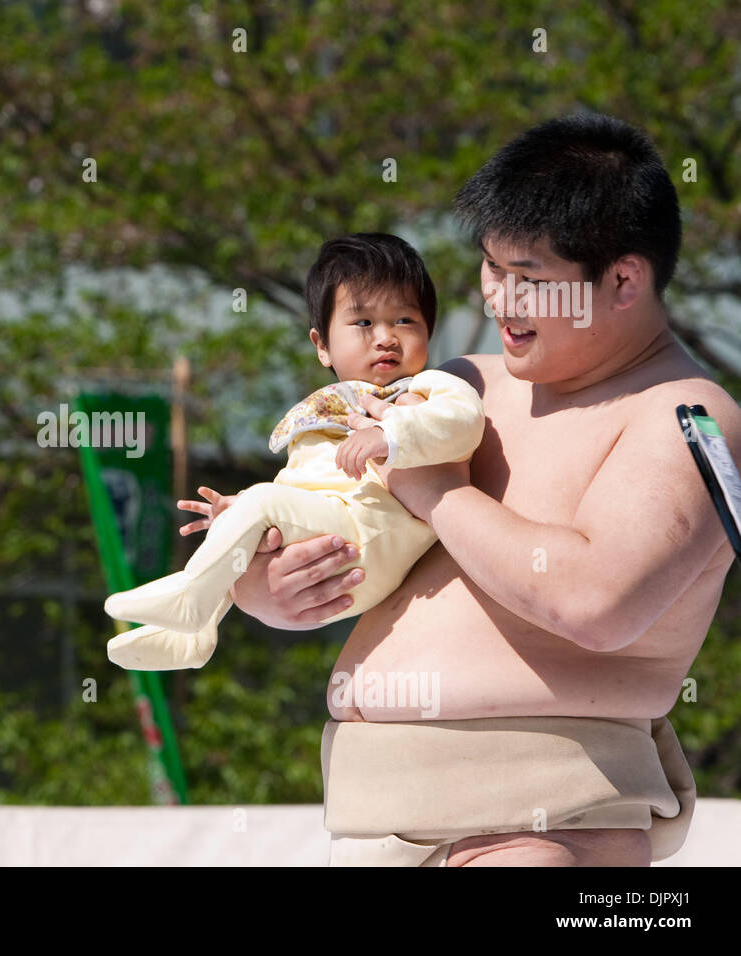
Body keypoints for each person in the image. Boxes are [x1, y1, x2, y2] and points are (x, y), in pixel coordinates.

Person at [227, 113, 741, 866]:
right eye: (491, 268)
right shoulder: (461, 385)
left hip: (543, 825)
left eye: (530, 280)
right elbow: (338, 512)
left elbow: (597, 604)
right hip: (372, 816)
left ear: (625, 279)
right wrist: (268, 587)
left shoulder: (693, 420)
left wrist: (439, 493)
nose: (500, 300)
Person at [104, 234, 485, 670]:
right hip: (332, 539)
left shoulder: (425, 390)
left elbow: (462, 422)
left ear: (428, 333)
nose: (386, 338)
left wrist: (392, 435)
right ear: (321, 344)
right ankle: (194, 637)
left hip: (369, 541)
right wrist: (238, 512)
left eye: (404, 320)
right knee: (249, 519)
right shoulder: (332, 406)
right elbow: (300, 487)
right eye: (363, 323)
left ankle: (192, 593)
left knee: (261, 501)